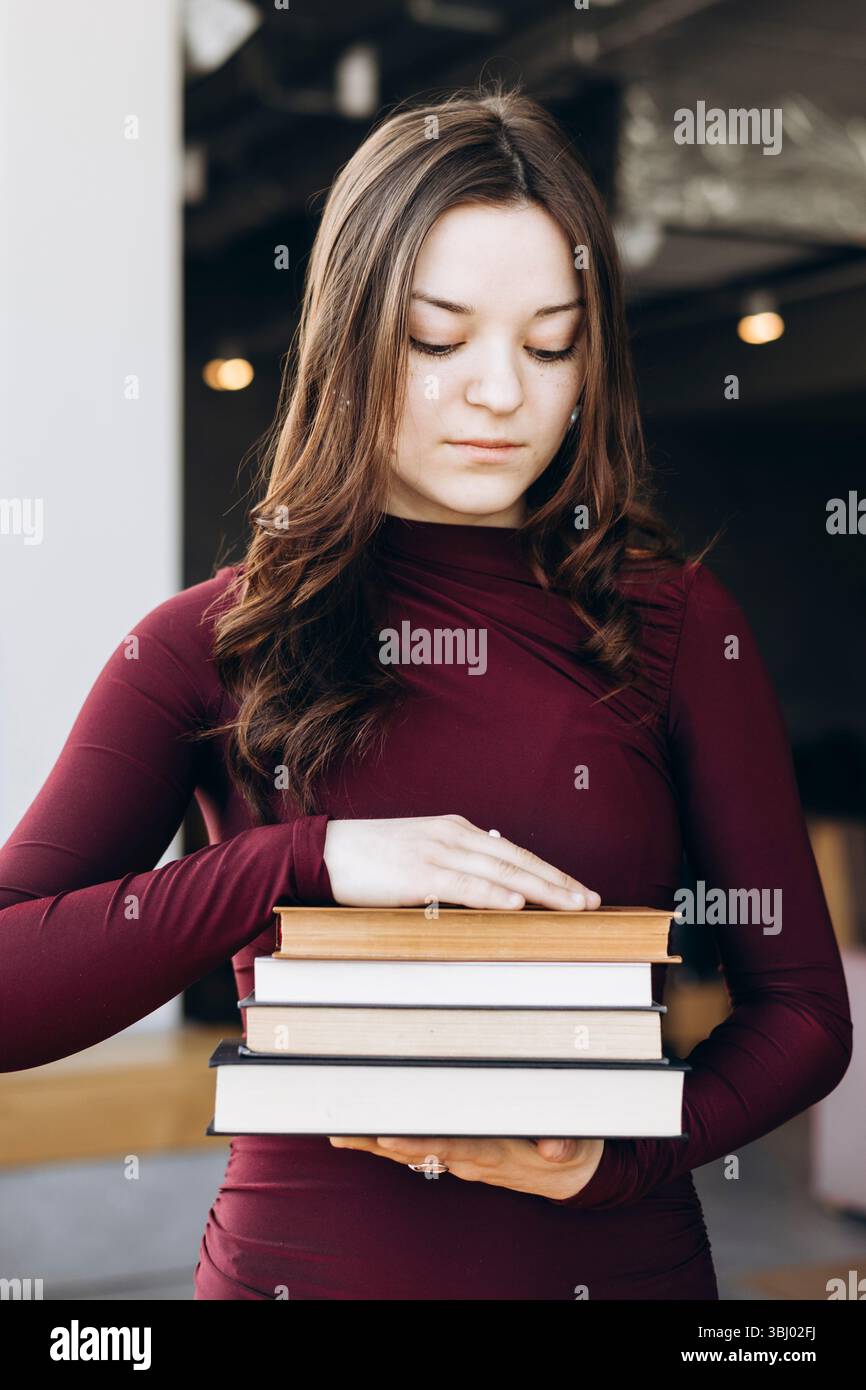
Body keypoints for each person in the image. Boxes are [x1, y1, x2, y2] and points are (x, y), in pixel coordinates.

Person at [0, 83, 852, 1301]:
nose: (501, 392)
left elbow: (802, 1018)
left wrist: (615, 1158)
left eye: (549, 342)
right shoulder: (202, 646)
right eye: (437, 338)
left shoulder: (669, 624)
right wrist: (308, 858)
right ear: (350, 334)